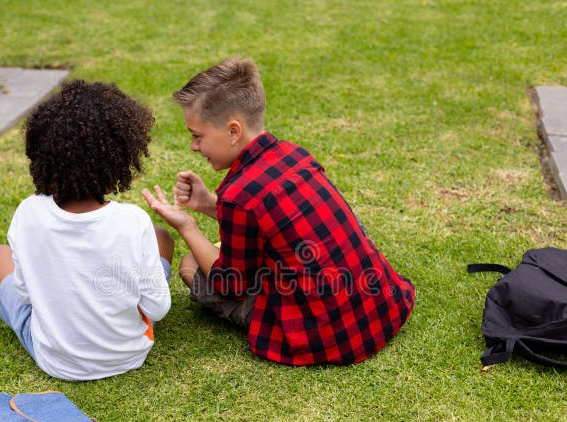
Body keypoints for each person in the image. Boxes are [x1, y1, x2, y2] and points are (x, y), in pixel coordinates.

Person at [142, 57, 415, 366]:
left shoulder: (239, 195)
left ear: (233, 131)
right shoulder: (295, 154)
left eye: (197, 135)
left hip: (329, 337)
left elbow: (229, 284)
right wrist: (207, 204)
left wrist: (187, 226)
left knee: (191, 264)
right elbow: (268, 221)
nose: (193, 146)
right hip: (382, 307)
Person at [0, 79, 173, 380]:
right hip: (129, 353)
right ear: (121, 158)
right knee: (161, 236)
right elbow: (157, 308)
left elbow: (25, 293)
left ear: (41, 155)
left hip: (56, 362)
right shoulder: (132, 221)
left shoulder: (28, 213)